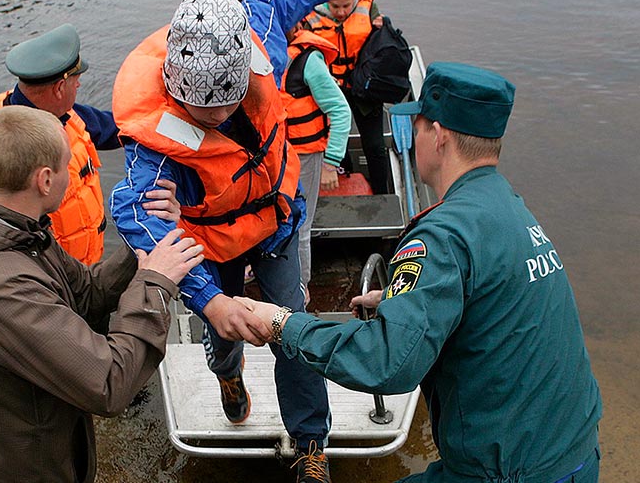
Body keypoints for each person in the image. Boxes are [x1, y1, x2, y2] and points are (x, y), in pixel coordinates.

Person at [239, 62, 603, 482]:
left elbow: (388, 363)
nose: (412, 135)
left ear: (439, 136)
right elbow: (491, 301)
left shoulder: (444, 234)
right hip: (574, 454)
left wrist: (284, 324)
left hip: (510, 473)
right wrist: (401, 299)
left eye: (418, 124)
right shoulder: (510, 207)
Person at [110, 0, 337, 482]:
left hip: (274, 225)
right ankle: (227, 374)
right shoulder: (154, 142)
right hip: (213, 242)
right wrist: (209, 299)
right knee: (224, 326)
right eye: (202, 110)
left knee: (292, 325)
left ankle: (309, 443)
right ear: (174, 84)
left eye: (226, 106)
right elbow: (133, 211)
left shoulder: (260, 35)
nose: (215, 117)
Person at [0, 106, 204, 483]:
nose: (75, 178)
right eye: (69, 167)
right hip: (22, 472)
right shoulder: (1, 292)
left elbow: (85, 294)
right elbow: (109, 383)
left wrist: (147, 244)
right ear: (45, 180)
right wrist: (154, 284)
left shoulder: (15, 230)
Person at [0, 23, 178, 265]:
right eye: (76, 80)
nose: (79, 85)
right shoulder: (0, 143)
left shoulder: (63, 112)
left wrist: (175, 117)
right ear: (60, 87)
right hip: (50, 278)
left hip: (85, 271)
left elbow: (120, 126)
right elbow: (2, 229)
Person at [303, 0, 389, 194]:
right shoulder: (310, 14)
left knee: (375, 146)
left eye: (346, 5)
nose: (341, 12)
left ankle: (383, 194)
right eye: (335, 6)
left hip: (363, 86)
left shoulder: (368, 6)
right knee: (335, 141)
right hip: (328, 87)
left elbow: (382, 45)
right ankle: (345, 184)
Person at [281, 25, 351, 306]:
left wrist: (331, 162)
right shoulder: (267, 54)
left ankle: (301, 287)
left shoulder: (308, 61)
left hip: (307, 156)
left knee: (300, 225)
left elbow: (340, 110)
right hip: (277, 156)